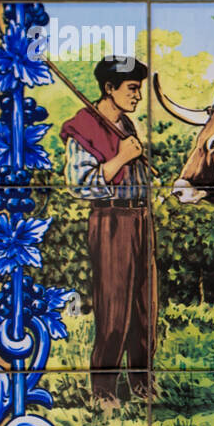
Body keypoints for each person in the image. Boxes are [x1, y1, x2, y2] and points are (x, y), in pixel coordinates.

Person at [59, 55, 155, 401]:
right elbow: (80, 184)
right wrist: (122, 159)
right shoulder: (83, 127)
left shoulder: (126, 125)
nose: (138, 96)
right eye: (132, 89)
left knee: (143, 310)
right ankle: (104, 393)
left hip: (140, 220)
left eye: (139, 89)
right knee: (114, 309)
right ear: (108, 88)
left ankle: (142, 386)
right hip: (112, 221)